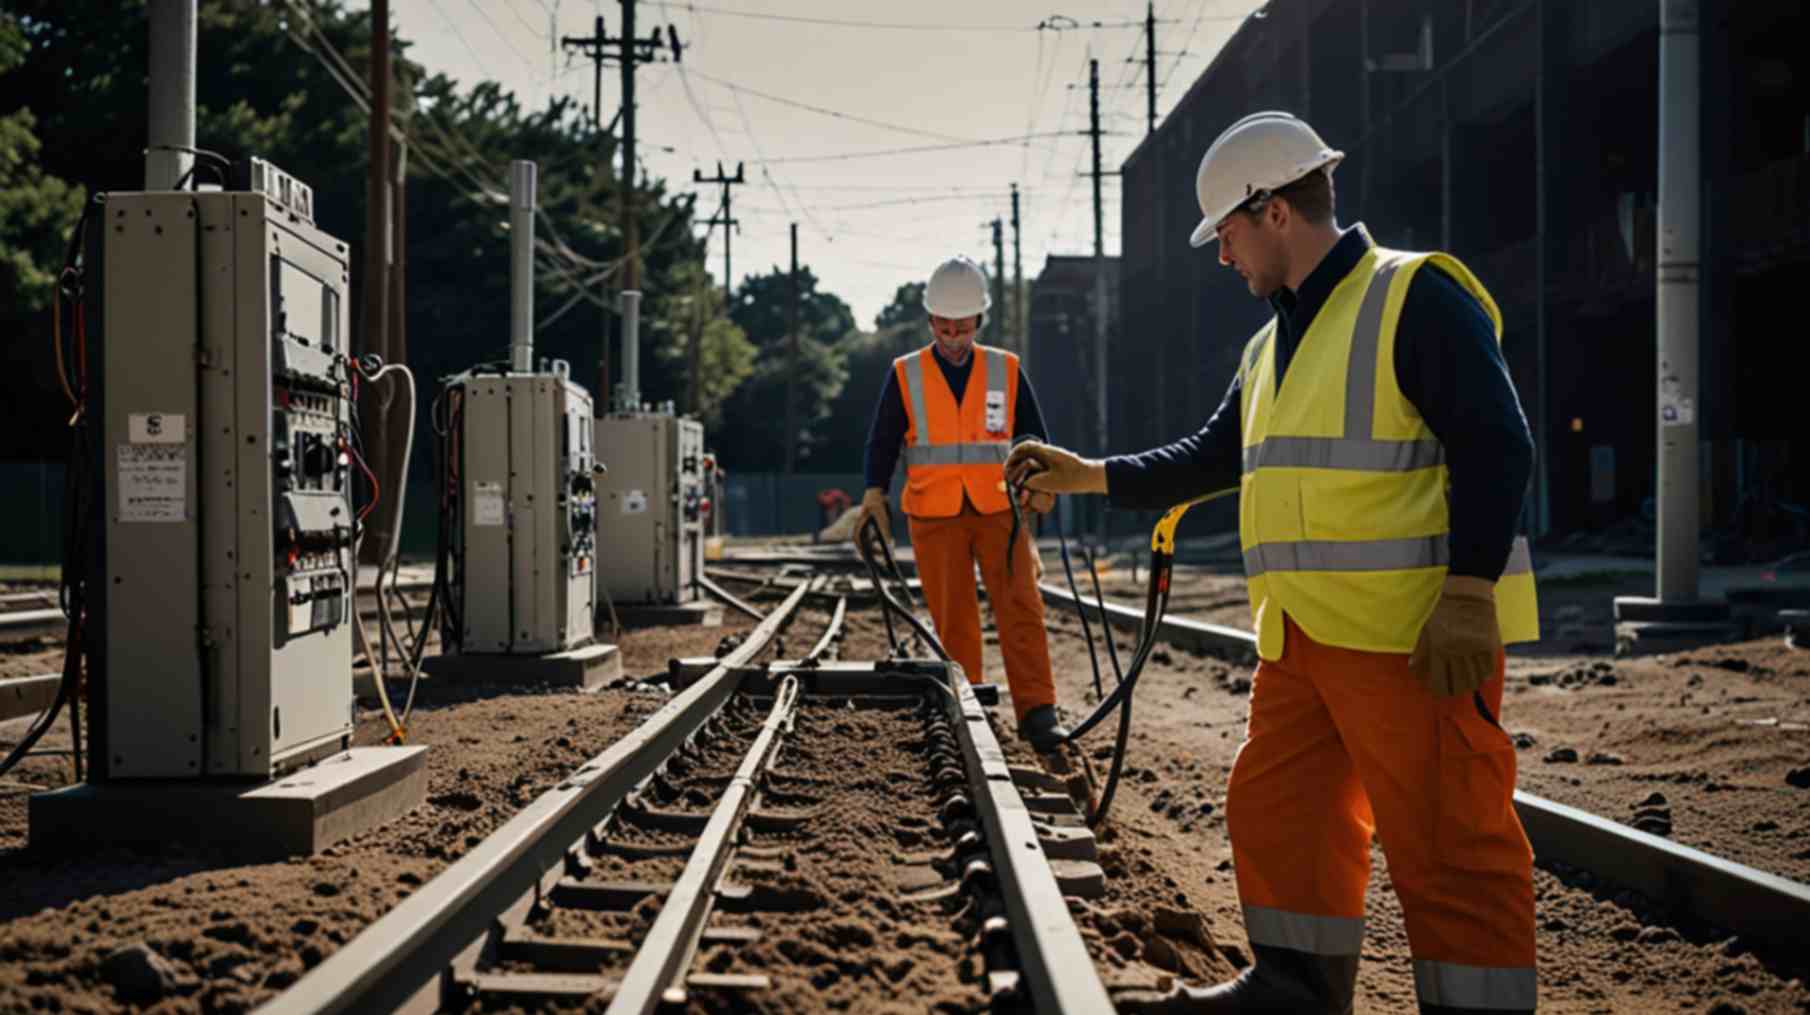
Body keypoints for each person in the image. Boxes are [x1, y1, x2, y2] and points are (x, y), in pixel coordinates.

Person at [1006, 111, 1542, 1014]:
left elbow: (1500, 442)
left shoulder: (1413, 295)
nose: (1222, 257)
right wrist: (1091, 475)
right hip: (1300, 645)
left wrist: (1467, 591)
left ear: (1274, 211)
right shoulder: (1271, 344)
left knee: (1450, 847)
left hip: (1412, 644)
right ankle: (1295, 987)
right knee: (1282, 812)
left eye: (1226, 233)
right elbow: (1216, 456)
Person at [856, 255, 1069, 752]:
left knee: (1022, 606)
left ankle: (1038, 713)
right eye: (945, 326)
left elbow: (1033, 433)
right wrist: (873, 491)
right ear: (931, 320)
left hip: (1000, 510)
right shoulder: (905, 374)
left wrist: (1043, 480)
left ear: (979, 319)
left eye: (963, 325)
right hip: (934, 514)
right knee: (954, 617)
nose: (953, 336)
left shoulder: (1005, 369)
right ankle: (969, 708)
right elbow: (883, 439)